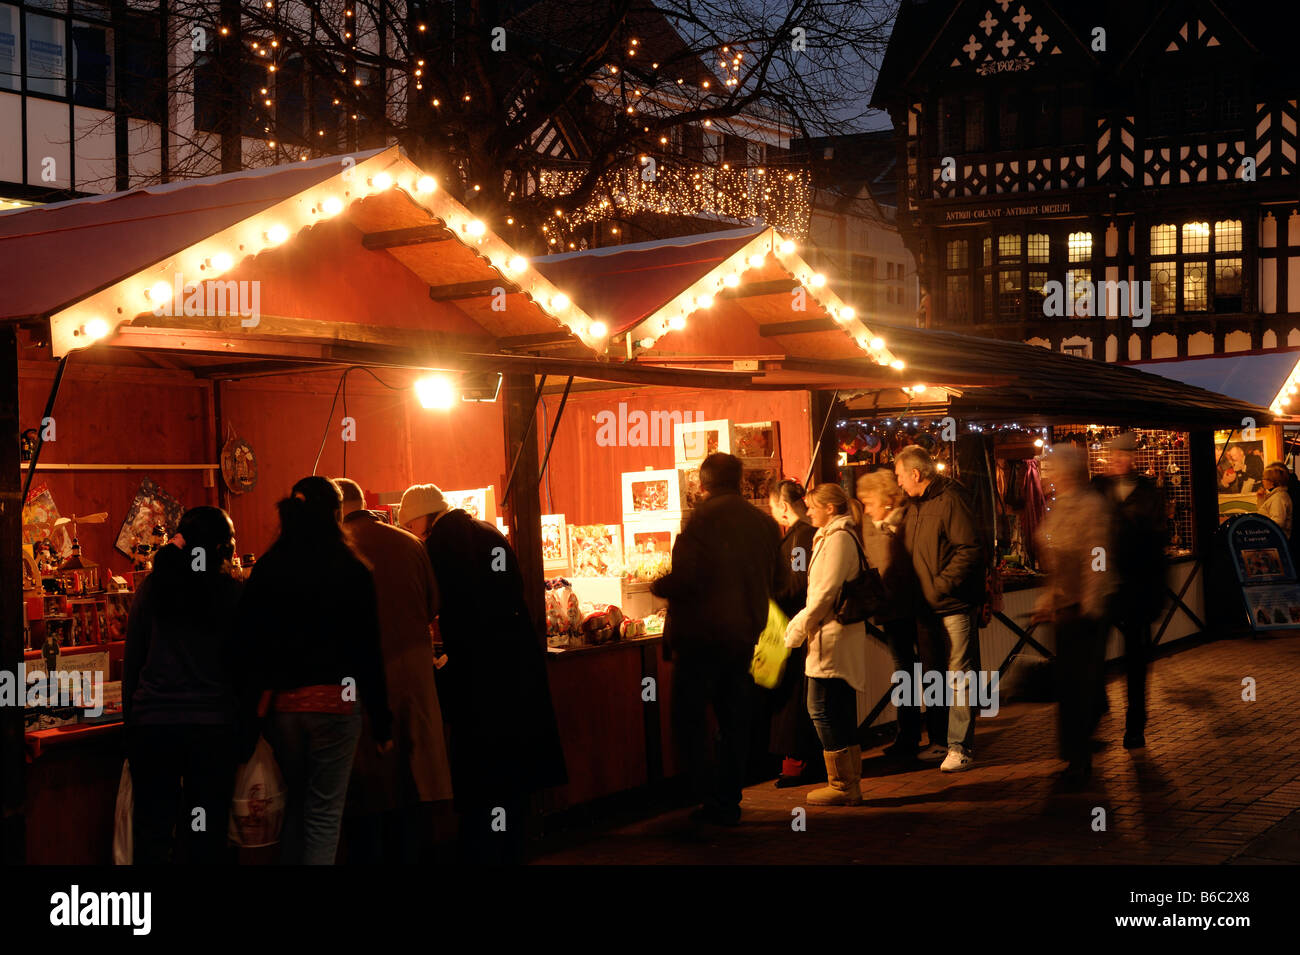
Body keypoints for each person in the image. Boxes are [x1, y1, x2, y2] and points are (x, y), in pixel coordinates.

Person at [399, 483, 566, 863]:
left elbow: (436, 603)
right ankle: (512, 842)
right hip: (515, 666)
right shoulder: (488, 531)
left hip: (479, 674)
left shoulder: (441, 543)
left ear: (424, 517)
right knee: (513, 771)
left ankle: (483, 847)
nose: (411, 533)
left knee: (482, 772)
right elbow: (513, 588)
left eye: (410, 525)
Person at [241, 476, 392, 865]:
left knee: (295, 802)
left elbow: (252, 643)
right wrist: (382, 722)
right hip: (337, 703)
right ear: (336, 514)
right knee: (324, 813)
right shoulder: (352, 569)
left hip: (283, 707)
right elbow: (367, 651)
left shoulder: (269, 567)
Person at [651, 453, 783, 825]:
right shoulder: (764, 524)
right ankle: (728, 799)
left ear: (702, 483)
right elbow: (780, 582)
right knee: (734, 721)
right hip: (743, 636)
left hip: (700, 639)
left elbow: (687, 580)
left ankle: (707, 797)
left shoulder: (700, 522)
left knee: (690, 721)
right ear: (740, 480)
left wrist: (659, 584)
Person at [334, 479, 453, 863]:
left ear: (336, 510)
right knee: (416, 770)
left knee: (369, 776)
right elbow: (435, 604)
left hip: (359, 680)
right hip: (414, 670)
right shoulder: (410, 543)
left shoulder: (333, 550)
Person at [124, 506, 246, 864]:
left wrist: (132, 726)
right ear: (222, 548)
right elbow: (244, 668)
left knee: (153, 834)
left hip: (154, 727)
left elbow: (134, 661)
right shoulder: (231, 595)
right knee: (204, 837)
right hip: (211, 731)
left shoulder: (152, 589)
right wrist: (245, 731)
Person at [895, 446, 986, 772]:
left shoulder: (950, 499)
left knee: (960, 675)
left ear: (916, 474)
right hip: (927, 606)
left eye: (901, 476)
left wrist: (939, 586)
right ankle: (941, 741)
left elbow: (969, 549)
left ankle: (961, 746)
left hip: (952, 604)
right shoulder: (916, 505)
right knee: (935, 675)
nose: (899, 483)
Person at [1032, 445, 1115, 790]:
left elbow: (1096, 556)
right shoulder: (1060, 506)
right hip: (1065, 607)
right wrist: (1049, 598)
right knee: (1071, 685)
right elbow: (1055, 561)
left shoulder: (1090, 506)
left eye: (1053, 469)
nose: (1048, 476)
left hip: (1084, 609)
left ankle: (1079, 758)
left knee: (1078, 685)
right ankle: (1075, 751)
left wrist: (1090, 601)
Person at [784, 483, 870, 805]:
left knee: (819, 707)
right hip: (834, 635)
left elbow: (823, 596)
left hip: (832, 635)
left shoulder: (837, 540)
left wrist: (795, 630)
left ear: (830, 509)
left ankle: (842, 784)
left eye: (812, 506)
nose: (808, 512)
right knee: (839, 706)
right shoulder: (834, 536)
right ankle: (851, 783)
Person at [1092, 432, 1167, 750]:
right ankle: (1096, 711)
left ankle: (1135, 726)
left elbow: (1155, 540)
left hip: (1137, 586)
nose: (1118, 460)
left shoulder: (1148, 492)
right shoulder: (1098, 488)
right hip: (1105, 585)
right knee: (1094, 653)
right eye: (1114, 455)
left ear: (1133, 457)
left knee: (1136, 662)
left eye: (1123, 455)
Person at [858, 469, 923, 759]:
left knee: (927, 671)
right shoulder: (872, 526)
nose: (866, 508)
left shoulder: (912, 518)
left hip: (919, 606)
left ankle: (935, 734)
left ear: (887, 500)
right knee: (905, 674)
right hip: (892, 611)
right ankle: (908, 735)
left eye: (869, 501)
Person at [767, 479, 822, 788]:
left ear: (784, 507)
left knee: (794, 700)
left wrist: (770, 596)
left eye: (774, 508)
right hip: (800, 628)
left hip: (796, 628)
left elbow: (798, 584)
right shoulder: (807, 533)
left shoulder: (800, 537)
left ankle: (797, 763)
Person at [1257, 464, 1293, 537]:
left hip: (1276, 539)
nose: (1262, 481)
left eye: (1264, 478)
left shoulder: (1278, 497)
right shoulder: (1274, 496)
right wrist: (1261, 499)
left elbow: (1278, 522)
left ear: (1272, 481)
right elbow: (1263, 514)